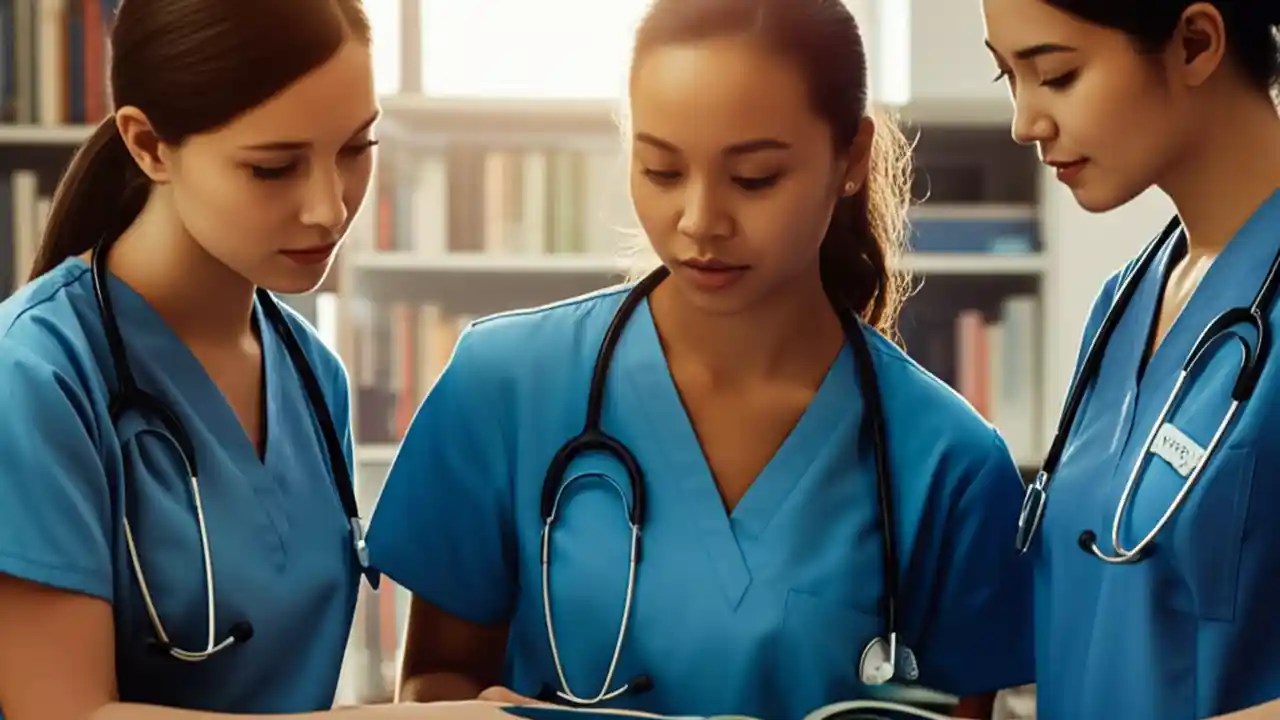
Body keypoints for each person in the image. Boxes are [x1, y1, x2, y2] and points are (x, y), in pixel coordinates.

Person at [365, 1, 1035, 719]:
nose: (698, 221)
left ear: (851, 159)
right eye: (661, 169)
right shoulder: (502, 386)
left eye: (753, 179)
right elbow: (435, 685)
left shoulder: (947, 463)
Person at [0, 2, 504, 719]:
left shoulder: (310, 372)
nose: (330, 209)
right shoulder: (35, 377)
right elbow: (63, 712)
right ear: (148, 145)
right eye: (273, 168)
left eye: (357, 149)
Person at [981, 1, 1280, 718]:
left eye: (1056, 74)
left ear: (1195, 43)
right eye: (1008, 78)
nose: (1025, 122)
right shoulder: (1123, 306)